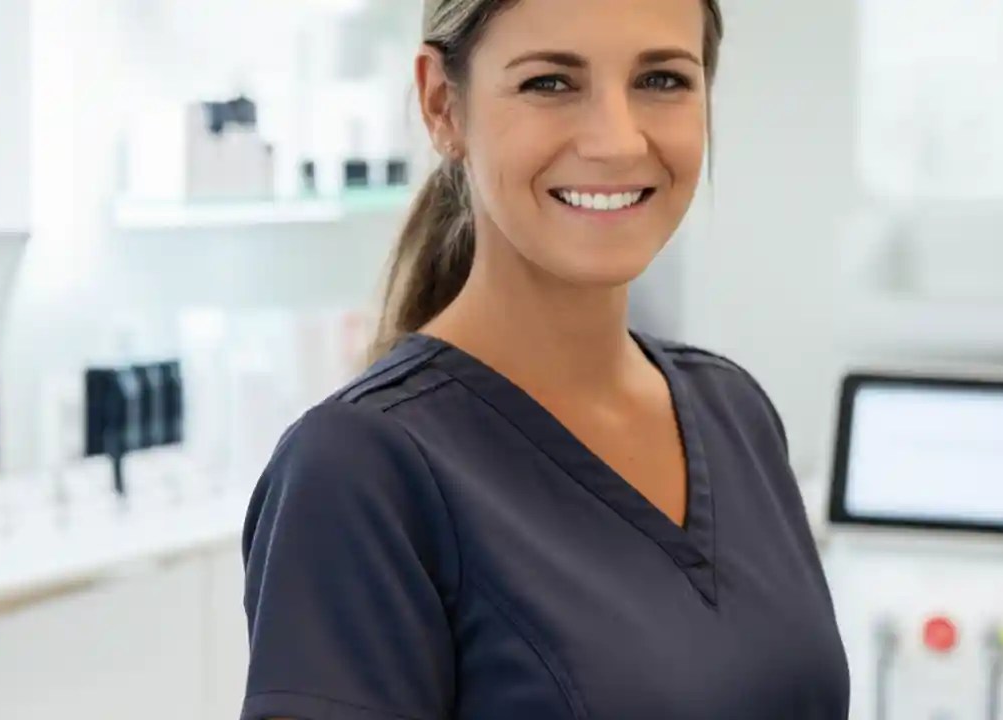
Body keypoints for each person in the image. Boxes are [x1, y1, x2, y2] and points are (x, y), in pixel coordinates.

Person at [240, 0, 850, 718]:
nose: (618, 141)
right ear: (443, 105)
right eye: (551, 84)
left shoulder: (734, 413)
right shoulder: (361, 470)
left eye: (661, 80)